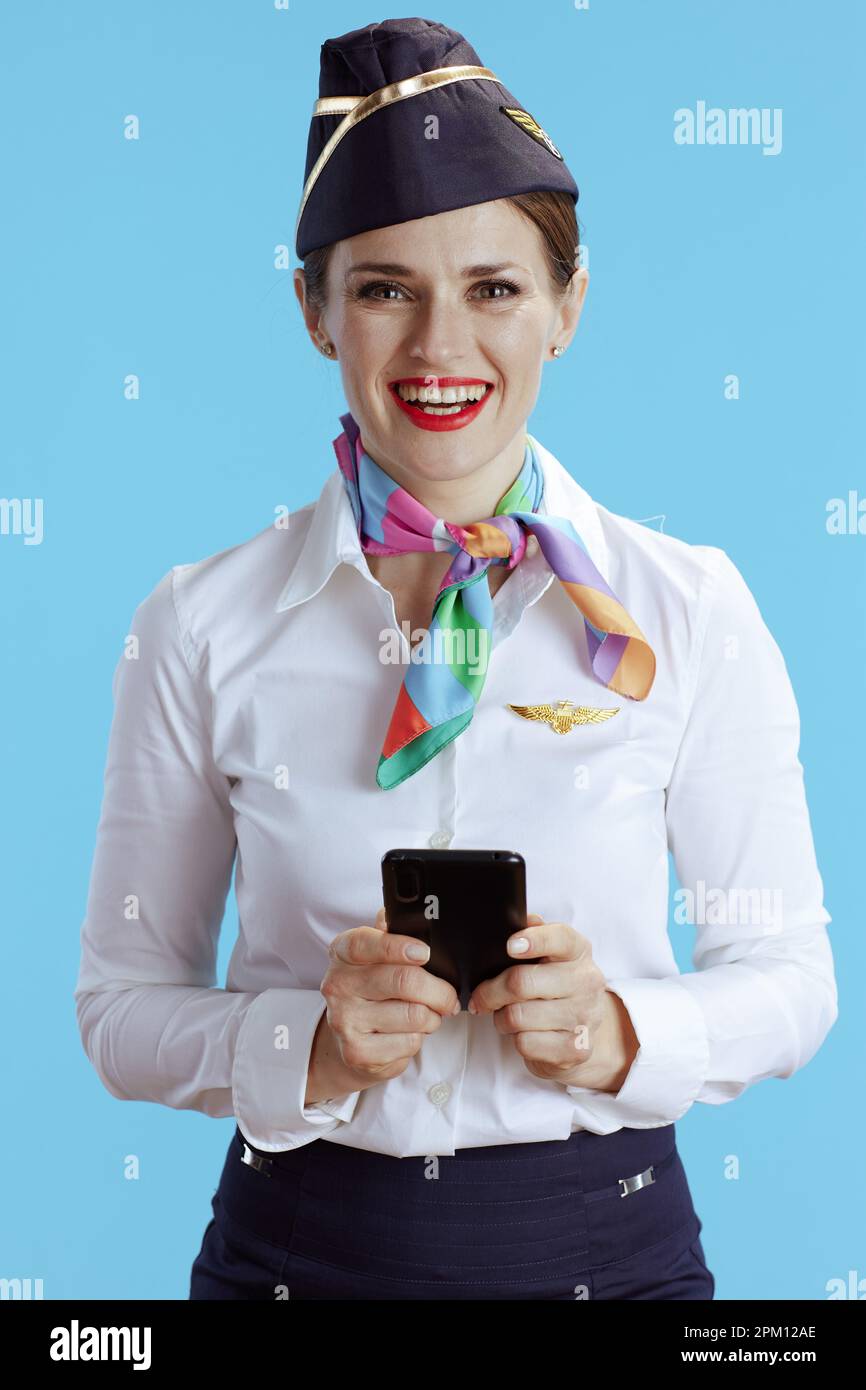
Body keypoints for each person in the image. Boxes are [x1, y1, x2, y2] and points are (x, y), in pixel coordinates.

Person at [74, 16, 837, 1301]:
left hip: (615, 1256)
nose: (439, 350)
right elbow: (120, 1008)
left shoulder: (688, 608)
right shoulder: (198, 623)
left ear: (566, 306)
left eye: (493, 289)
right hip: (294, 1259)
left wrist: (620, 1033)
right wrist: (299, 1044)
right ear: (315, 311)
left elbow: (794, 981)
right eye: (384, 289)